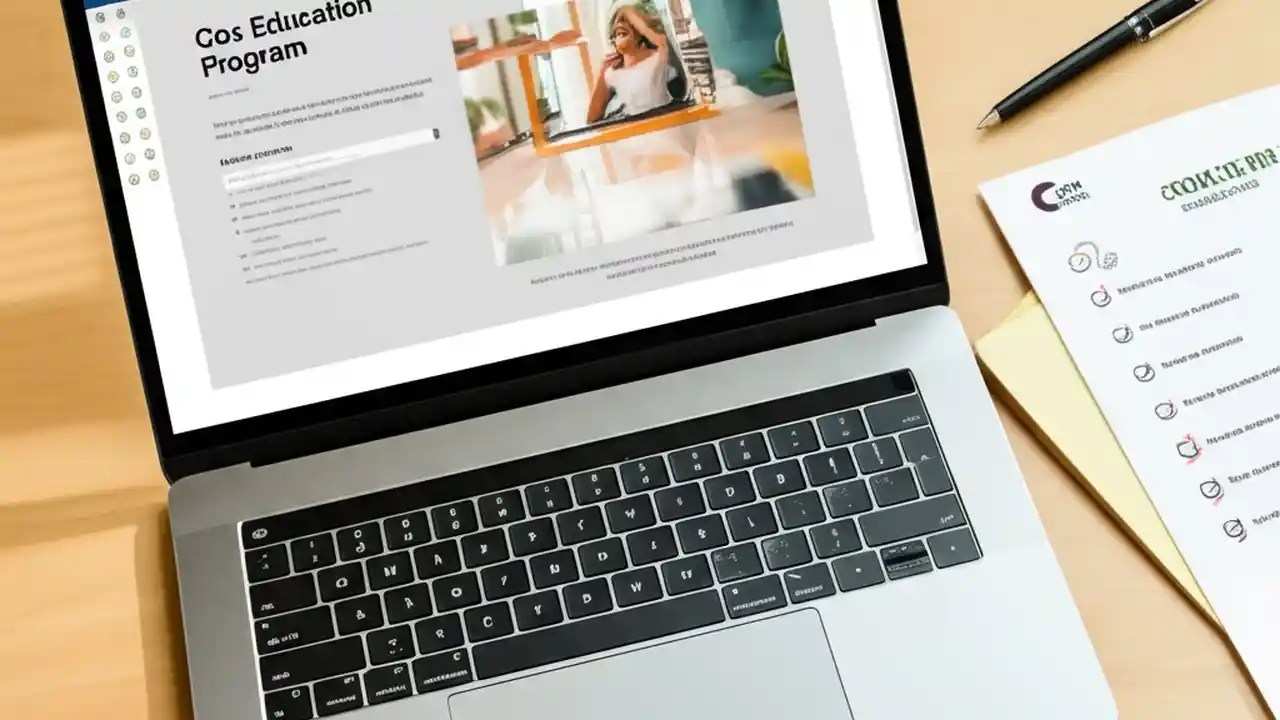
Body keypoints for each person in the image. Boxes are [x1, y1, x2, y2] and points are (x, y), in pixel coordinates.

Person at [586, 4, 673, 124]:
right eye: (616, 32)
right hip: (635, 131)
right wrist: (602, 71)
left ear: (640, 34)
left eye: (627, 24)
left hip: (666, 124)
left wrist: (625, 11)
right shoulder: (612, 73)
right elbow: (592, 119)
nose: (620, 24)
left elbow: (661, 41)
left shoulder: (656, 60)